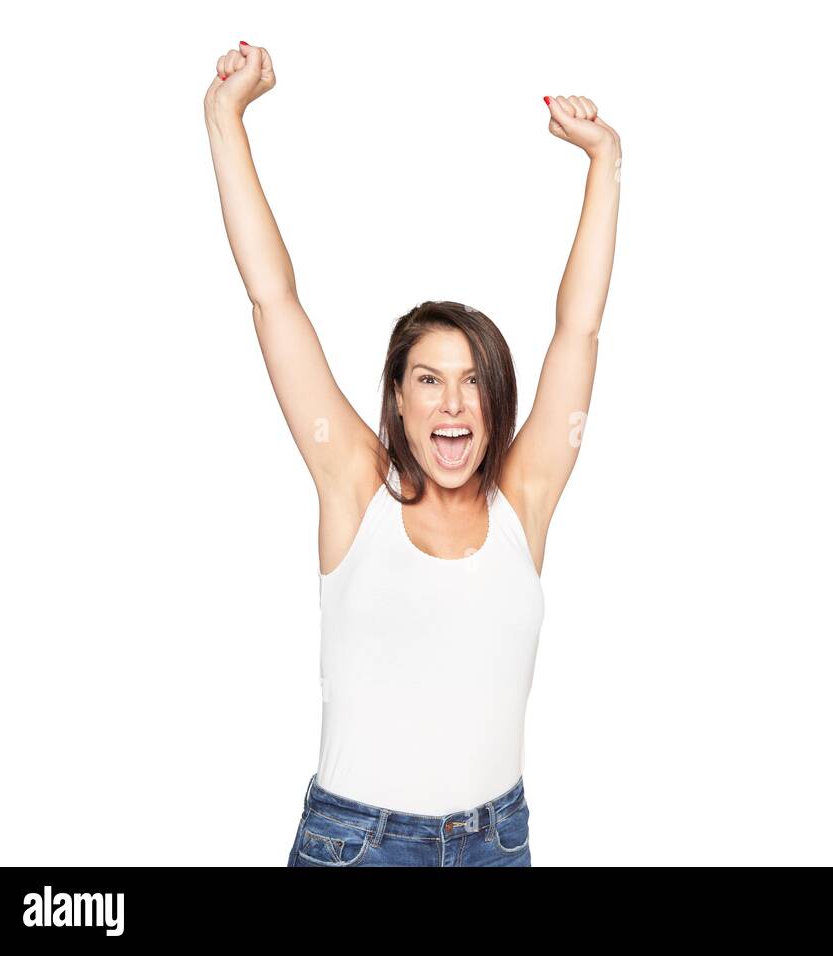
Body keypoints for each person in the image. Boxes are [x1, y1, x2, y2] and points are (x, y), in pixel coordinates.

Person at [203, 41, 621, 866]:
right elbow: (272, 298)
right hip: (357, 846)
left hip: (497, 842)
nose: (453, 403)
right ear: (397, 397)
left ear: (495, 397)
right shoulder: (353, 487)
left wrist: (606, 161)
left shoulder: (524, 502)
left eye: (472, 381)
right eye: (429, 380)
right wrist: (225, 118)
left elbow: (580, 328)